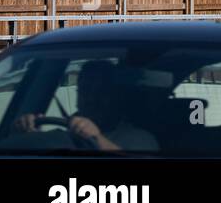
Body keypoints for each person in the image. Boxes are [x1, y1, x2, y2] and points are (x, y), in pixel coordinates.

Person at [12, 59, 159, 152]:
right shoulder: (59, 135)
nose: (91, 99)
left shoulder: (140, 139)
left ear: (117, 96)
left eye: (101, 92)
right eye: (85, 91)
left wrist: (97, 139)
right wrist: (23, 133)